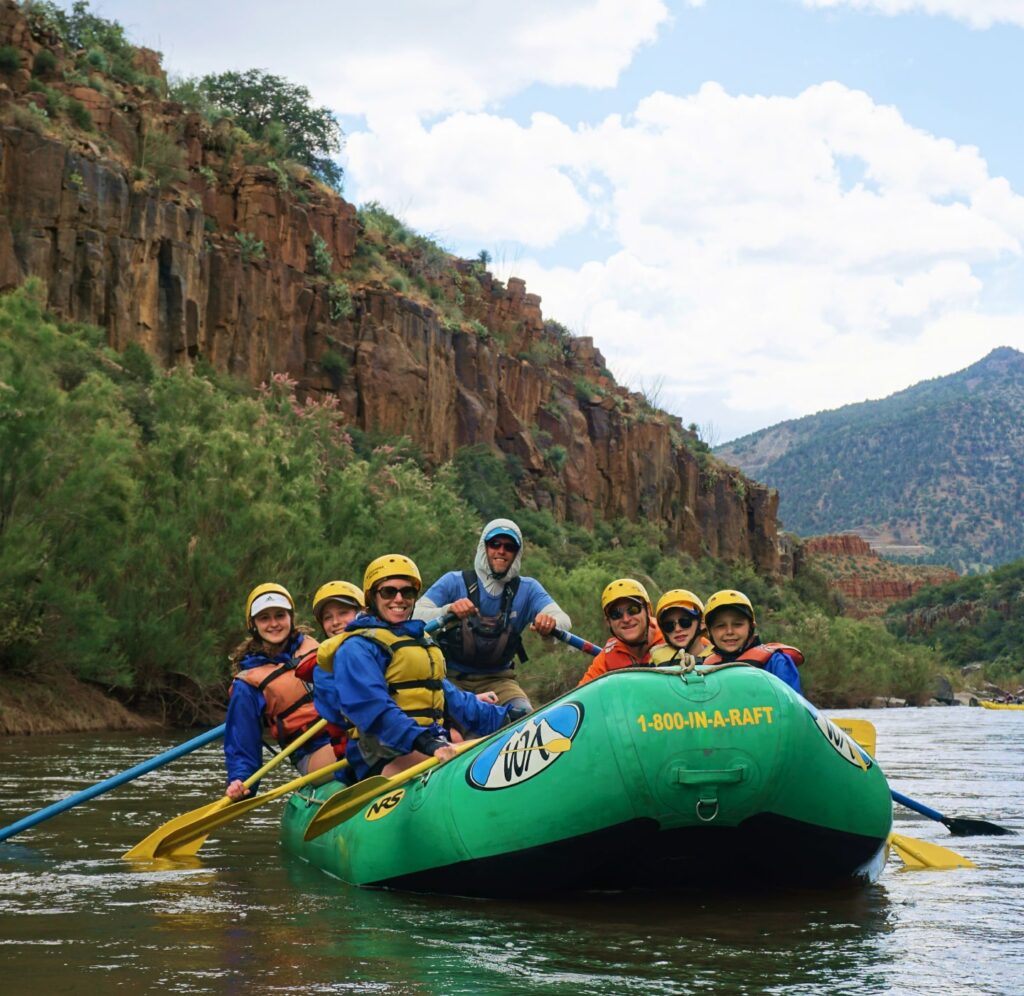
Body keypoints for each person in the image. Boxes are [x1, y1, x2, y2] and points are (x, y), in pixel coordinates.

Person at [313, 554, 519, 782]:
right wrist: (426, 743)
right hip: (383, 754)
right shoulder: (356, 649)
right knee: (470, 763)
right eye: (389, 592)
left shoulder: (419, 640)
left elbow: (451, 698)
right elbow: (374, 711)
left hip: (429, 743)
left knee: (504, 745)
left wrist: (507, 718)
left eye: (407, 592)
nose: (399, 599)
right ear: (371, 597)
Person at [414, 518, 570, 712]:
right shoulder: (453, 582)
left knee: (524, 716)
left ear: (517, 553)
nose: (501, 551)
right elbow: (414, 616)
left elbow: (564, 621)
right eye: (494, 544)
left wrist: (550, 624)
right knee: (433, 720)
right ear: (484, 547)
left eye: (509, 546)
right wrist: (447, 610)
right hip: (450, 679)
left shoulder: (528, 589)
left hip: (500, 681)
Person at [224, 583, 334, 800]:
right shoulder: (247, 686)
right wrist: (243, 781)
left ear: (290, 618)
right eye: (264, 618)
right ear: (253, 625)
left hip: (348, 734)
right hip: (313, 754)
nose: (274, 624)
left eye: (279, 615)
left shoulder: (317, 648)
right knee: (370, 747)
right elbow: (243, 741)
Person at [701, 589, 803, 694]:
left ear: (751, 626)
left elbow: (791, 704)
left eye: (737, 624)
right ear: (710, 632)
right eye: (720, 626)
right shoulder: (706, 668)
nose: (729, 631)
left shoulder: (776, 662)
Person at [576, 579, 664, 686]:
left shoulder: (673, 637)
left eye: (633, 610)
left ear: (649, 611)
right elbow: (581, 692)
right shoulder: (606, 658)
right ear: (608, 622)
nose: (626, 619)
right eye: (616, 615)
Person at [649, 589, 711, 665]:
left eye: (685, 622)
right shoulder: (656, 661)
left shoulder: (719, 657)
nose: (677, 629)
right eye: (669, 625)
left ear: (702, 623)